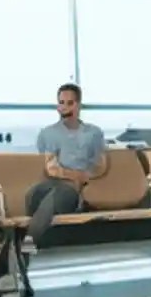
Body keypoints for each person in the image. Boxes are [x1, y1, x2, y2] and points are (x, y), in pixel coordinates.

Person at [24, 83, 107, 241]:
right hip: (55, 182)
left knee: (59, 195)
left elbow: (100, 165)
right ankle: (30, 239)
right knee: (33, 194)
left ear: (79, 105)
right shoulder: (48, 133)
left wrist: (81, 178)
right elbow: (51, 168)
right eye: (61, 103)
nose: (64, 108)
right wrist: (77, 175)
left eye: (70, 103)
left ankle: (28, 242)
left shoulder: (94, 133)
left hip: (74, 188)